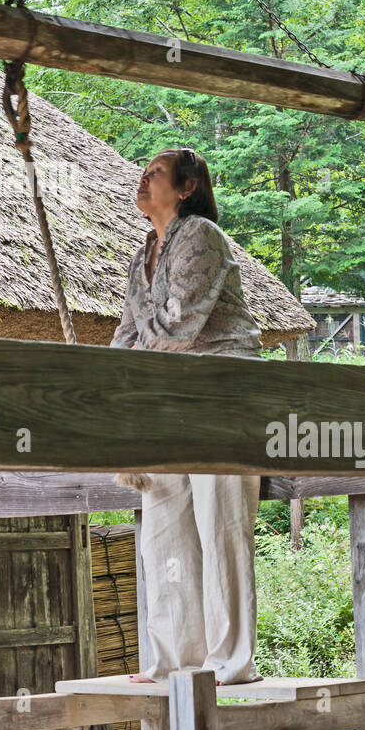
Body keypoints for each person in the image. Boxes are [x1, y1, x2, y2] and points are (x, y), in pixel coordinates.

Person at [110, 147, 263, 687]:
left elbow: (178, 327)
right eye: (143, 170)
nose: (143, 178)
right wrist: (109, 379)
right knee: (163, 522)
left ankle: (231, 658)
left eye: (155, 173)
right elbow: (127, 334)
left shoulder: (201, 236)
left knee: (220, 519)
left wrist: (133, 364)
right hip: (166, 395)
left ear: (187, 187)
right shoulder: (143, 254)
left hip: (221, 388)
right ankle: (176, 654)